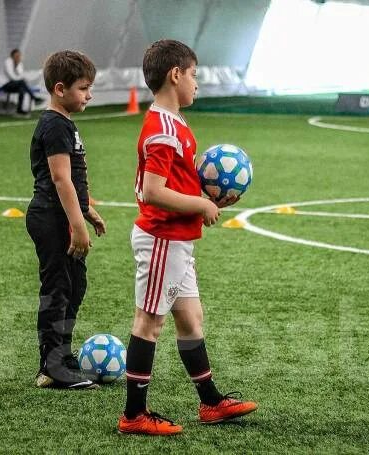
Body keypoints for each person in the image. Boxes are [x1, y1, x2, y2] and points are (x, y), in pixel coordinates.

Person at [117, 39, 257, 436]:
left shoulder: (175, 123)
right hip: (161, 238)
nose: (197, 82)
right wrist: (199, 203)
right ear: (175, 75)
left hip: (177, 240)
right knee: (148, 323)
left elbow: (177, 181)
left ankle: (210, 402)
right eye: (194, 75)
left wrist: (209, 198)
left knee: (191, 320)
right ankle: (133, 415)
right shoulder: (162, 128)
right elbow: (153, 191)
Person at [26, 50, 106, 389]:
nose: (89, 95)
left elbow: (73, 178)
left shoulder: (65, 123)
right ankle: (51, 366)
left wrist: (87, 210)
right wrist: (77, 225)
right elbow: (60, 179)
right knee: (57, 288)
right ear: (60, 89)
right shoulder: (55, 125)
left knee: (75, 285)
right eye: (83, 88)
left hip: (64, 215)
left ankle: (63, 354)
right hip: (51, 217)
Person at [0, 48, 44, 116]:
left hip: (11, 84)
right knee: (21, 83)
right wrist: (23, 78)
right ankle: (34, 98)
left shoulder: (19, 64)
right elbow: (13, 77)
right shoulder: (7, 62)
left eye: (19, 56)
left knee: (21, 90)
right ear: (12, 56)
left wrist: (26, 76)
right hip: (1, 84)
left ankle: (19, 111)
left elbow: (21, 76)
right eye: (16, 56)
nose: (18, 57)